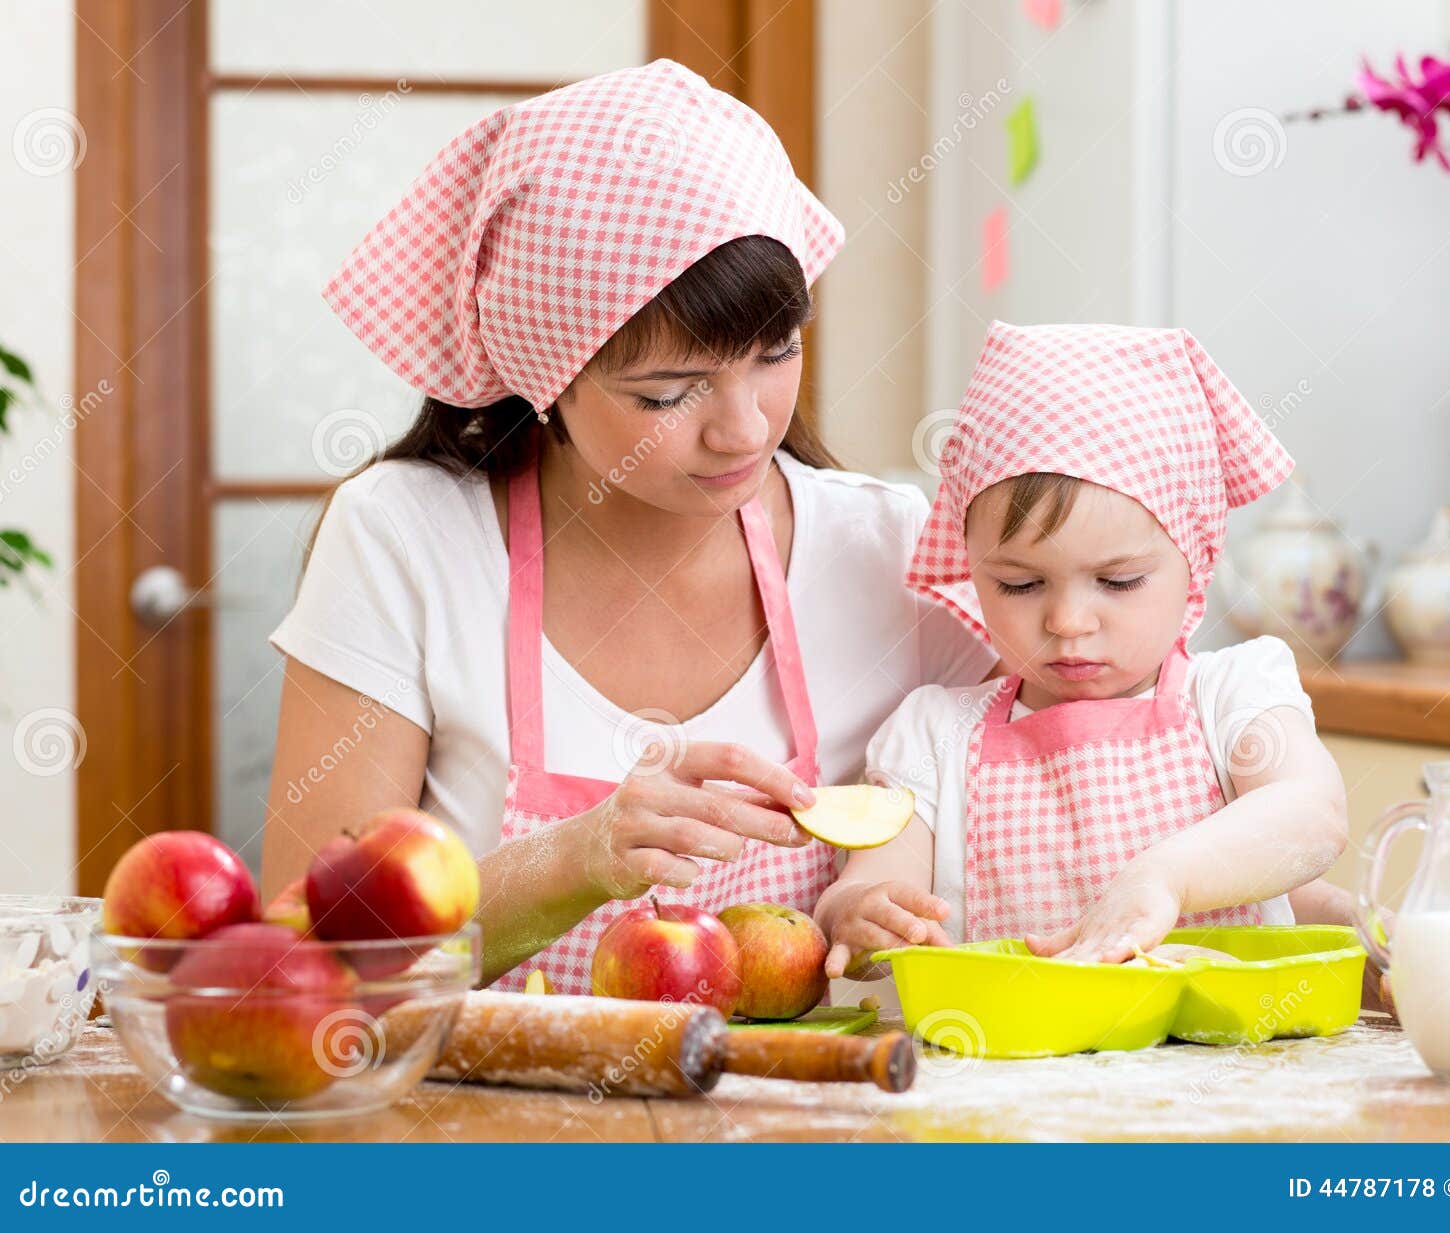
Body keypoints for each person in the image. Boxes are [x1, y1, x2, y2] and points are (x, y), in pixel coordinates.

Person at [262, 61, 994, 992]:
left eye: (777, 354)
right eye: (668, 391)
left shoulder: (895, 551)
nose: (745, 429)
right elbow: (311, 949)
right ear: (546, 379)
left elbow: (1066, 804)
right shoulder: (404, 540)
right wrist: (575, 862)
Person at [817, 322, 1349, 976]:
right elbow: (872, 884)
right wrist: (857, 911)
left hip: (1224, 1069)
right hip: (1006, 1071)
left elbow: (1313, 815)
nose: (1067, 621)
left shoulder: (1234, 694)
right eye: (1020, 582)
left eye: (1117, 580)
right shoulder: (934, 736)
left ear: (1197, 562)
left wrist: (1166, 877)